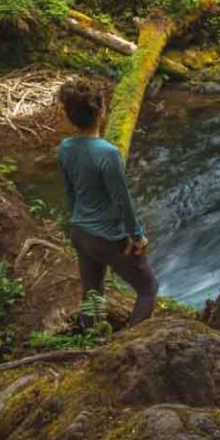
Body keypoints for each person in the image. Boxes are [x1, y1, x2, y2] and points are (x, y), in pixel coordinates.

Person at [56, 78, 156, 330]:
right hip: (108, 238)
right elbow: (122, 201)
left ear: (69, 115)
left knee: (92, 293)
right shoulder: (108, 154)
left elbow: (70, 193)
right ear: (102, 110)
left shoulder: (65, 148)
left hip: (80, 232)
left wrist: (76, 222)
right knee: (148, 288)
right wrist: (136, 236)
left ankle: (90, 336)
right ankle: (129, 343)